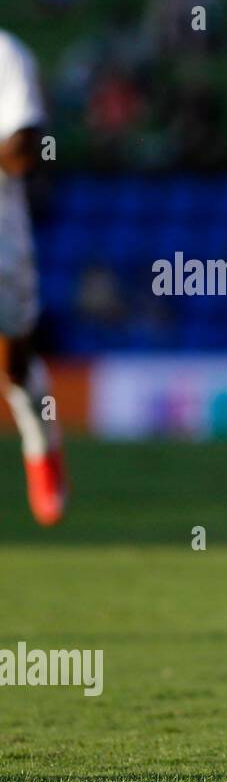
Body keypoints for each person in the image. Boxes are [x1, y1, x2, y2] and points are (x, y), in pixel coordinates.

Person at [0, 28, 66, 526]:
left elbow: (26, 149)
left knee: (13, 364)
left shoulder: (7, 54)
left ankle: (41, 439)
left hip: (3, 234)